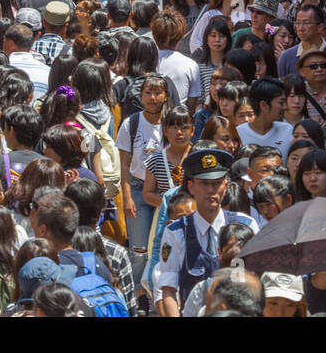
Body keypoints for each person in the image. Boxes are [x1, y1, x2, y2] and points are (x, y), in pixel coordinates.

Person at [154, 148, 259, 316]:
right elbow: (168, 289)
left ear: (225, 185)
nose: (211, 190)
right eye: (203, 183)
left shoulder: (246, 224)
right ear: (191, 186)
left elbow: (258, 280)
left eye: (216, 183)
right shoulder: (175, 232)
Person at [117, 74, 169, 285]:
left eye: (158, 93)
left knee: (164, 247)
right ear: (141, 95)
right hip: (137, 190)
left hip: (164, 190)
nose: (153, 97)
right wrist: (127, 197)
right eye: (148, 92)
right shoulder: (131, 123)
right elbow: (124, 164)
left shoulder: (171, 124)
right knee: (139, 250)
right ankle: (138, 294)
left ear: (165, 96)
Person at [235, 78, 294, 159]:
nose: (285, 107)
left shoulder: (288, 131)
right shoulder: (238, 134)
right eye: (281, 102)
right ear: (263, 105)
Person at [277, 4, 326, 79]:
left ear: (320, 27)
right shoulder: (286, 57)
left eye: (306, 23)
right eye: (298, 23)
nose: (301, 28)